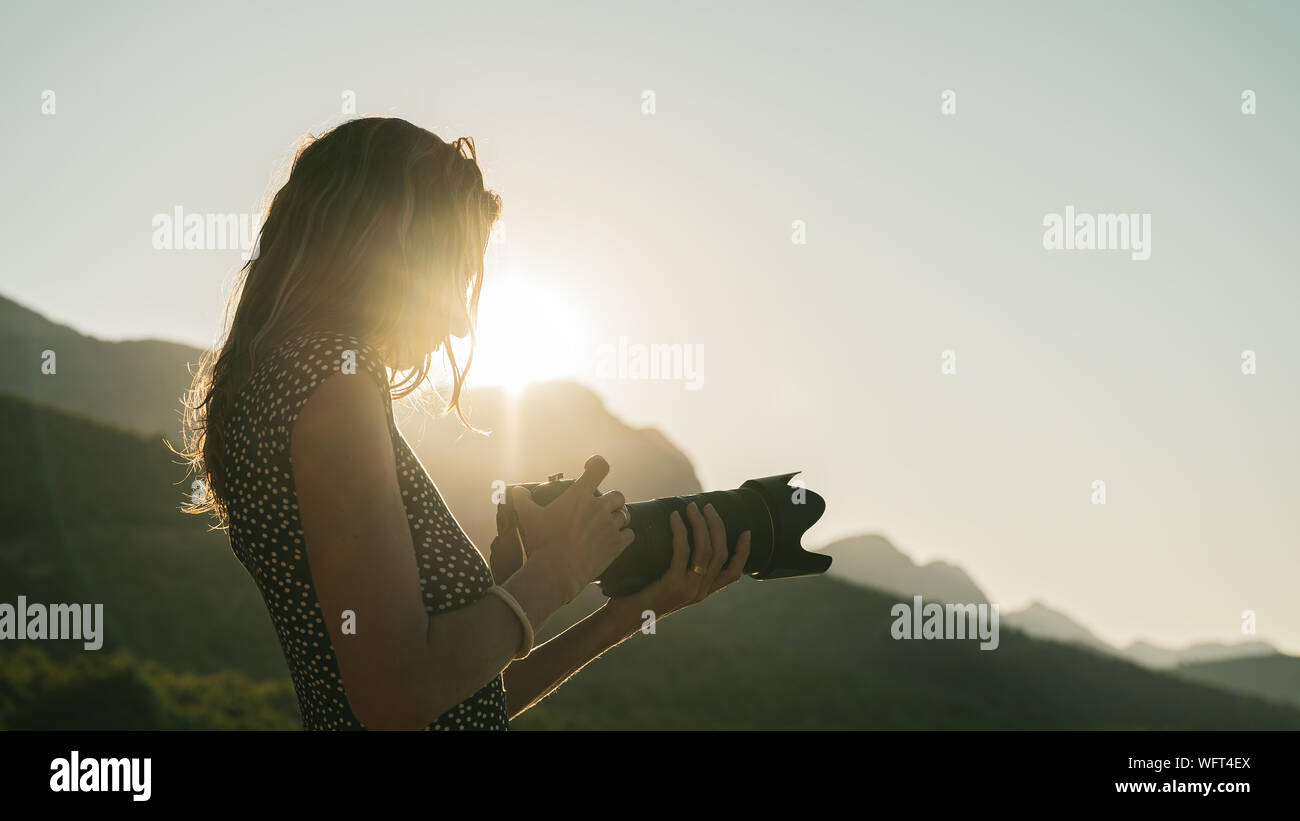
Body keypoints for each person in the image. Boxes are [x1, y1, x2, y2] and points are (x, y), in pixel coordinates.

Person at [178, 117, 751, 730]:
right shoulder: (335, 388)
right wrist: (556, 572)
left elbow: (460, 704)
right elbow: (396, 697)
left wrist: (620, 614)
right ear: (389, 249)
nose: (457, 321)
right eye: (454, 274)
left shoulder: (278, 384)